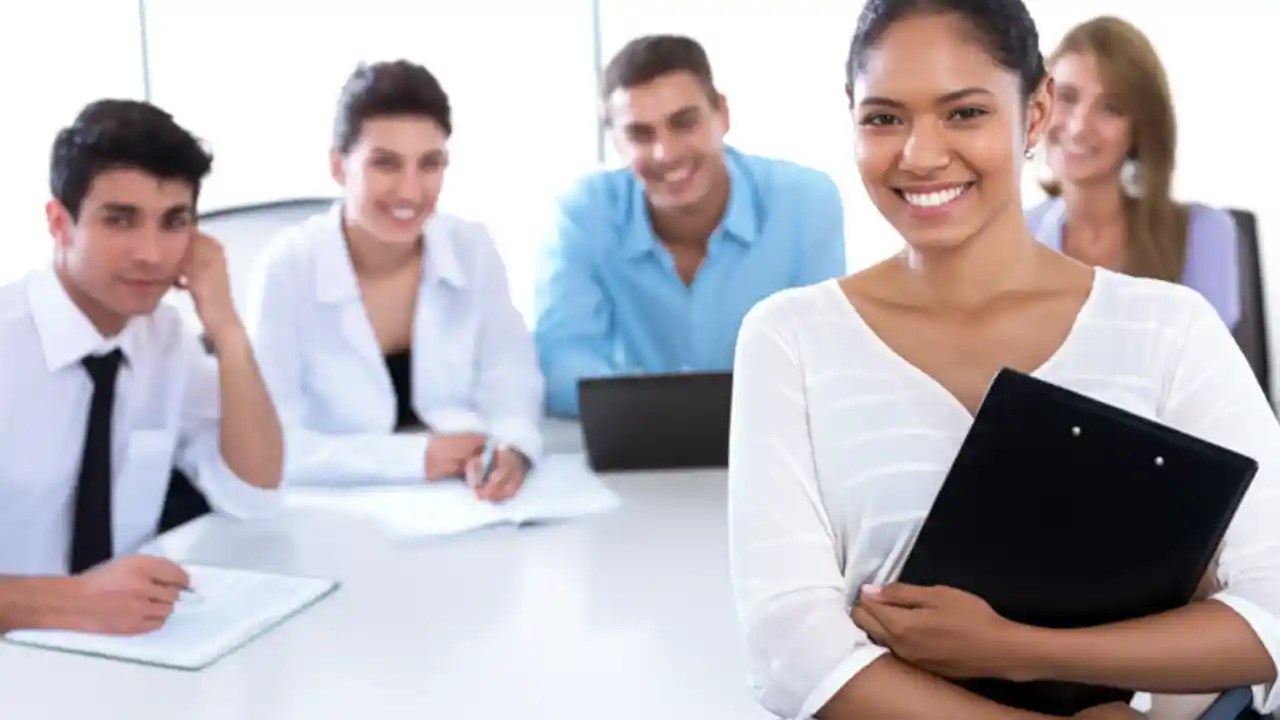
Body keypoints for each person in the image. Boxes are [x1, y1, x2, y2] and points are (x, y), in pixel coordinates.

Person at [727, 0, 1280, 718]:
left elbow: (1273, 603)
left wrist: (1018, 649)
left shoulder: (1169, 329)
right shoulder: (789, 338)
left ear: (1036, 110)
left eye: (964, 113)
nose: (920, 154)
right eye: (885, 117)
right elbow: (788, 649)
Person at [0, 100, 284, 633]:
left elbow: (254, 494)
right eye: (119, 220)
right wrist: (69, 603)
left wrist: (225, 327)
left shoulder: (165, 338)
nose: (152, 254)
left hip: (130, 657)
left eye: (173, 222)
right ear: (59, 224)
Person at [246, 60, 542, 501]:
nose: (410, 191)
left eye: (429, 164)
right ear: (337, 166)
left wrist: (512, 447)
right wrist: (414, 459)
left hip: (464, 502)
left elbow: (512, 376)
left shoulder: (471, 247)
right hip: (332, 511)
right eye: (385, 165)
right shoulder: (288, 268)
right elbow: (270, 446)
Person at [533, 34, 847, 417]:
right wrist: (675, 414)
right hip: (635, 446)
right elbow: (562, 366)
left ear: (722, 115)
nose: (666, 154)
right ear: (615, 141)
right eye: (639, 134)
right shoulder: (584, 213)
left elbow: (822, 358)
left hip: (770, 444)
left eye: (684, 123)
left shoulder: (805, 201)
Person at [1027, 16, 1241, 329]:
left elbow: (1205, 369)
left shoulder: (1202, 234)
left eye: (1110, 108)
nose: (1078, 126)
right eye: (1067, 98)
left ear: (1140, 129)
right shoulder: (1010, 237)